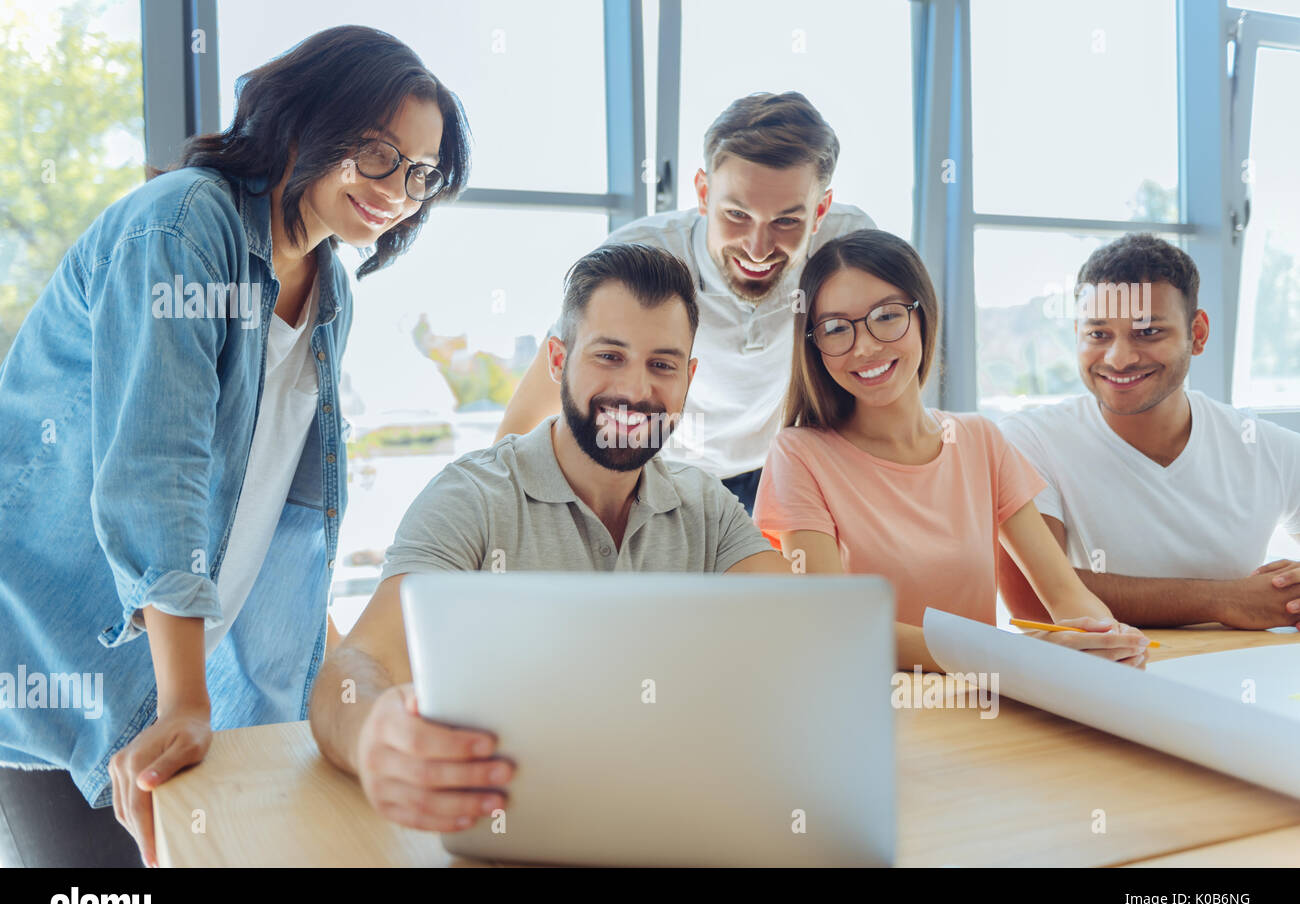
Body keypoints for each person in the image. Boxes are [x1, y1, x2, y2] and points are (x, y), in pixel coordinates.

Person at [0, 26, 470, 867]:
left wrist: (349, 690)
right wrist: (185, 703)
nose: (398, 189)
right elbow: (157, 472)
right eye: (377, 152)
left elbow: (281, 521)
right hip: (53, 658)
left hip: (177, 681)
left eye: (421, 173)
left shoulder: (331, 293)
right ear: (304, 118)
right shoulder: (182, 226)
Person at [309, 243, 790, 832]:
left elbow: (799, 635)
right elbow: (351, 670)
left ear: (689, 378)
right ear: (558, 361)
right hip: (502, 819)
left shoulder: (707, 506)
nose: (636, 392)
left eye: (663, 365)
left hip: (669, 819)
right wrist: (371, 736)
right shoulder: (473, 497)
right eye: (609, 355)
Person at [751, 229, 1149, 672]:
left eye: (886, 317)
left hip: (982, 707)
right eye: (836, 328)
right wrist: (1012, 656)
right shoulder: (799, 455)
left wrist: (1108, 640)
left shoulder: (980, 440)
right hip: (868, 711)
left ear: (924, 315)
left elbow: (1064, 594)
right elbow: (837, 624)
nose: (864, 347)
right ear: (815, 345)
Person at [494, 92, 876, 513]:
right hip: (666, 470)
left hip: (781, 465)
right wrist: (497, 509)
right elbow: (538, 405)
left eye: (786, 221)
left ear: (820, 210)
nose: (757, 248)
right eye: (736, 214)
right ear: (703, 192)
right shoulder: (639, 256)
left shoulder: (849, 246)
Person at [996, 233, 1300, 628]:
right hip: (1096, 684)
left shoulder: (1269, 448)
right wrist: (1222, 600)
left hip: (1236, 675)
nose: (1118, 359)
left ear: (1199, 334)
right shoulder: (1028, 441)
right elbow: (1032, 601)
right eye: (1098, 334)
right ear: (1077, 334)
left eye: (1148, 332)